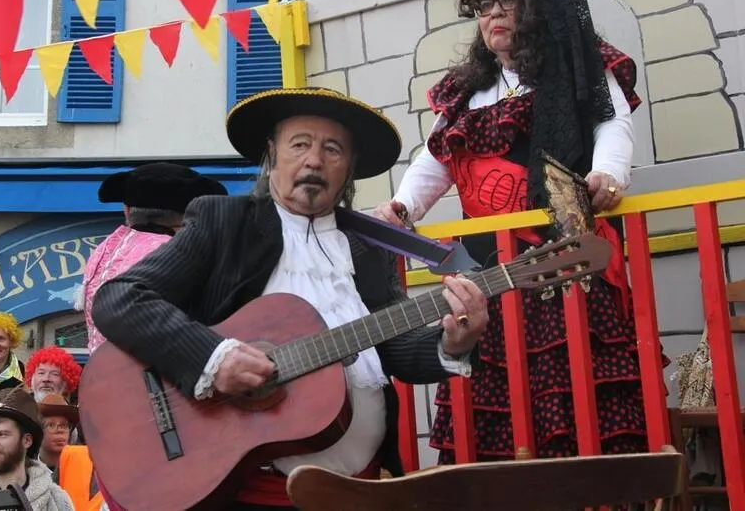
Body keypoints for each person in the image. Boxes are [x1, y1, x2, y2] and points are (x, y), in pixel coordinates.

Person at [92, 87, 488, 510]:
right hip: (252, 492)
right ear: (272, 155)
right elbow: (121, 297)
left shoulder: (368, 248)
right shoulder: (224, 222)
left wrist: (451, 344)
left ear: (349, 168)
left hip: (362, 490)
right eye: (299, 145)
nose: (314, 160)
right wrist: (212, 357)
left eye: (332, 149)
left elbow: (390, 346)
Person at [374, 0, 656, 462]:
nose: (494, 15)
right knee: (492, 404)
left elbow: (612, 122)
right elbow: (434, 159)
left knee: (573, 399)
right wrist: (403, 205)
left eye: (508, 3)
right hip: (485, 274)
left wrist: (608, 173)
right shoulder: (465, 90)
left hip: (561, 264)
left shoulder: (576, 67)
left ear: (536, 9)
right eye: (485, 6)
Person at [76, 162, 228, 354]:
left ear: (127, 210)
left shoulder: (102, 252)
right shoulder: (179, 253)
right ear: (188, 216)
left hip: (99, 370)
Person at [37, 394, 103, 511]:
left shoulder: (90, 465)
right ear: (38, 431)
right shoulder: (26, 470)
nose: (59, 430)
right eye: (51, 425)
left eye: (64, 425)